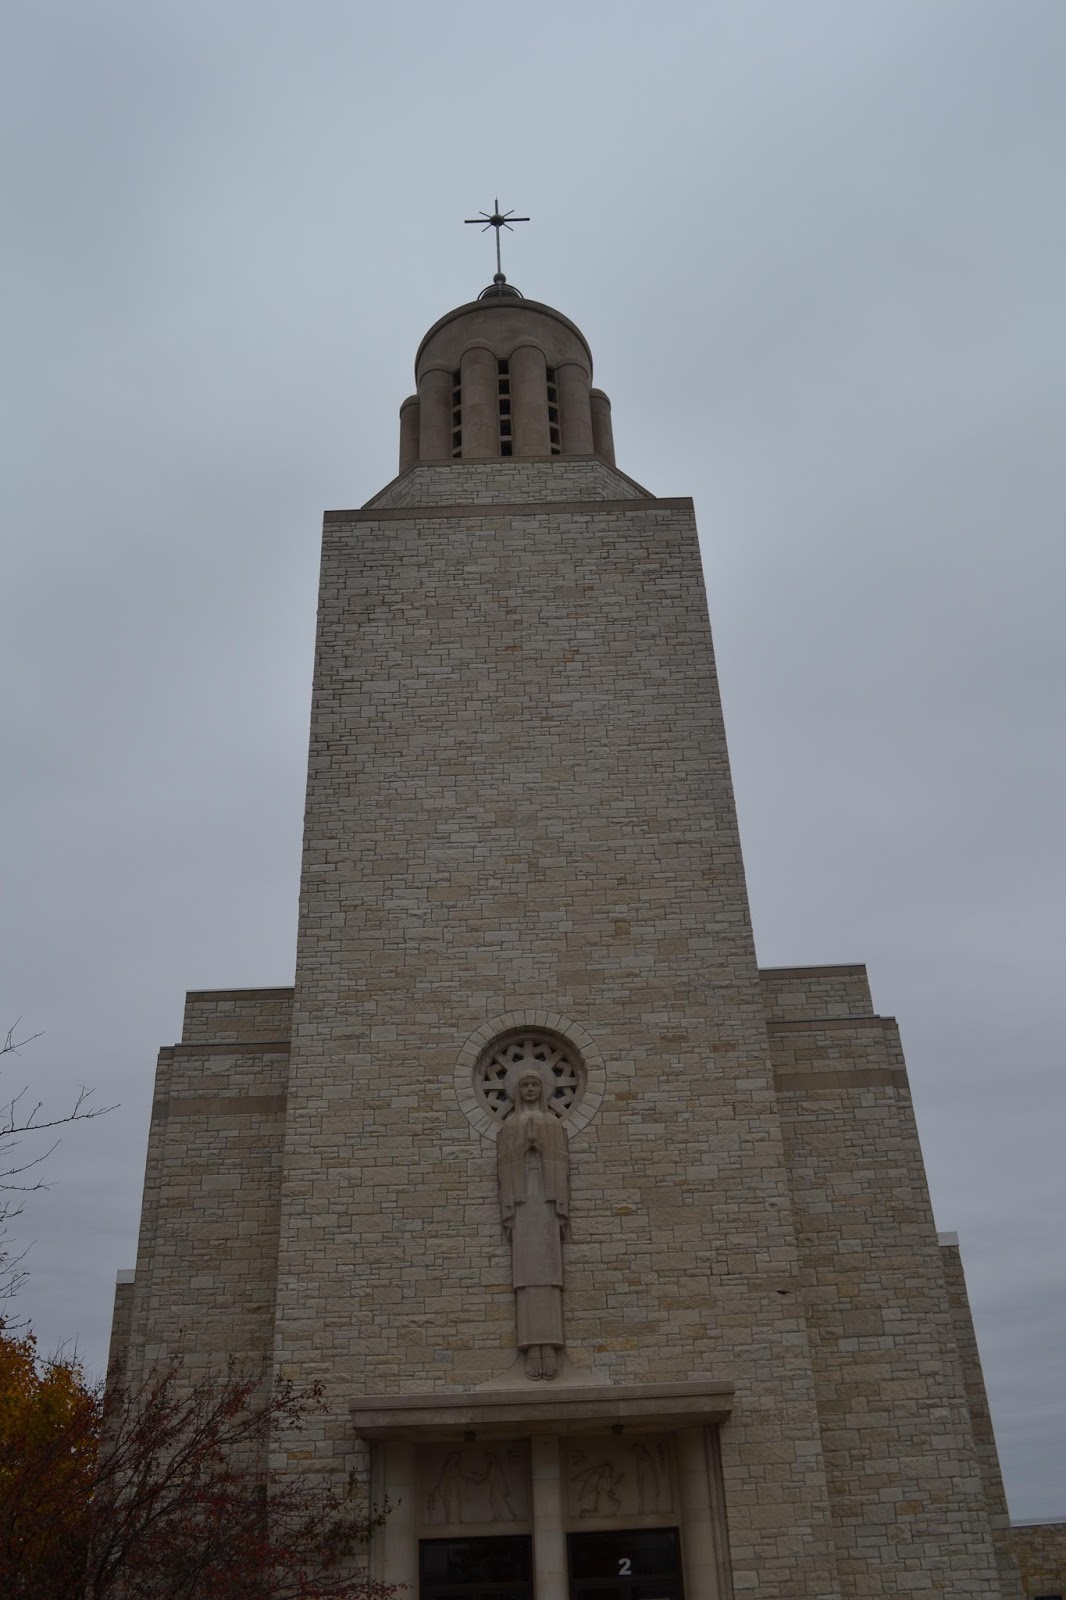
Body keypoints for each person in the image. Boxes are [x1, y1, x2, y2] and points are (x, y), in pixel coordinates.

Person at [497, 1069, 569, 1380]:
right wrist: (521, 1148)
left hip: (546, 1202)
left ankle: (550, 1346)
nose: (529, 1089)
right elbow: (504, 1166)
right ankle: (531, 1346)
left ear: (543, 1089)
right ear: (516, 1090)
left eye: (534, 1084)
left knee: (549, 1272)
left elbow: (560, 1163)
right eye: (524, 1084)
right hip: (522, 1203)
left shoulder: (552, 1124)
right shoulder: (509, 1126)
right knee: (525, 1274)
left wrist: (542, 1146)